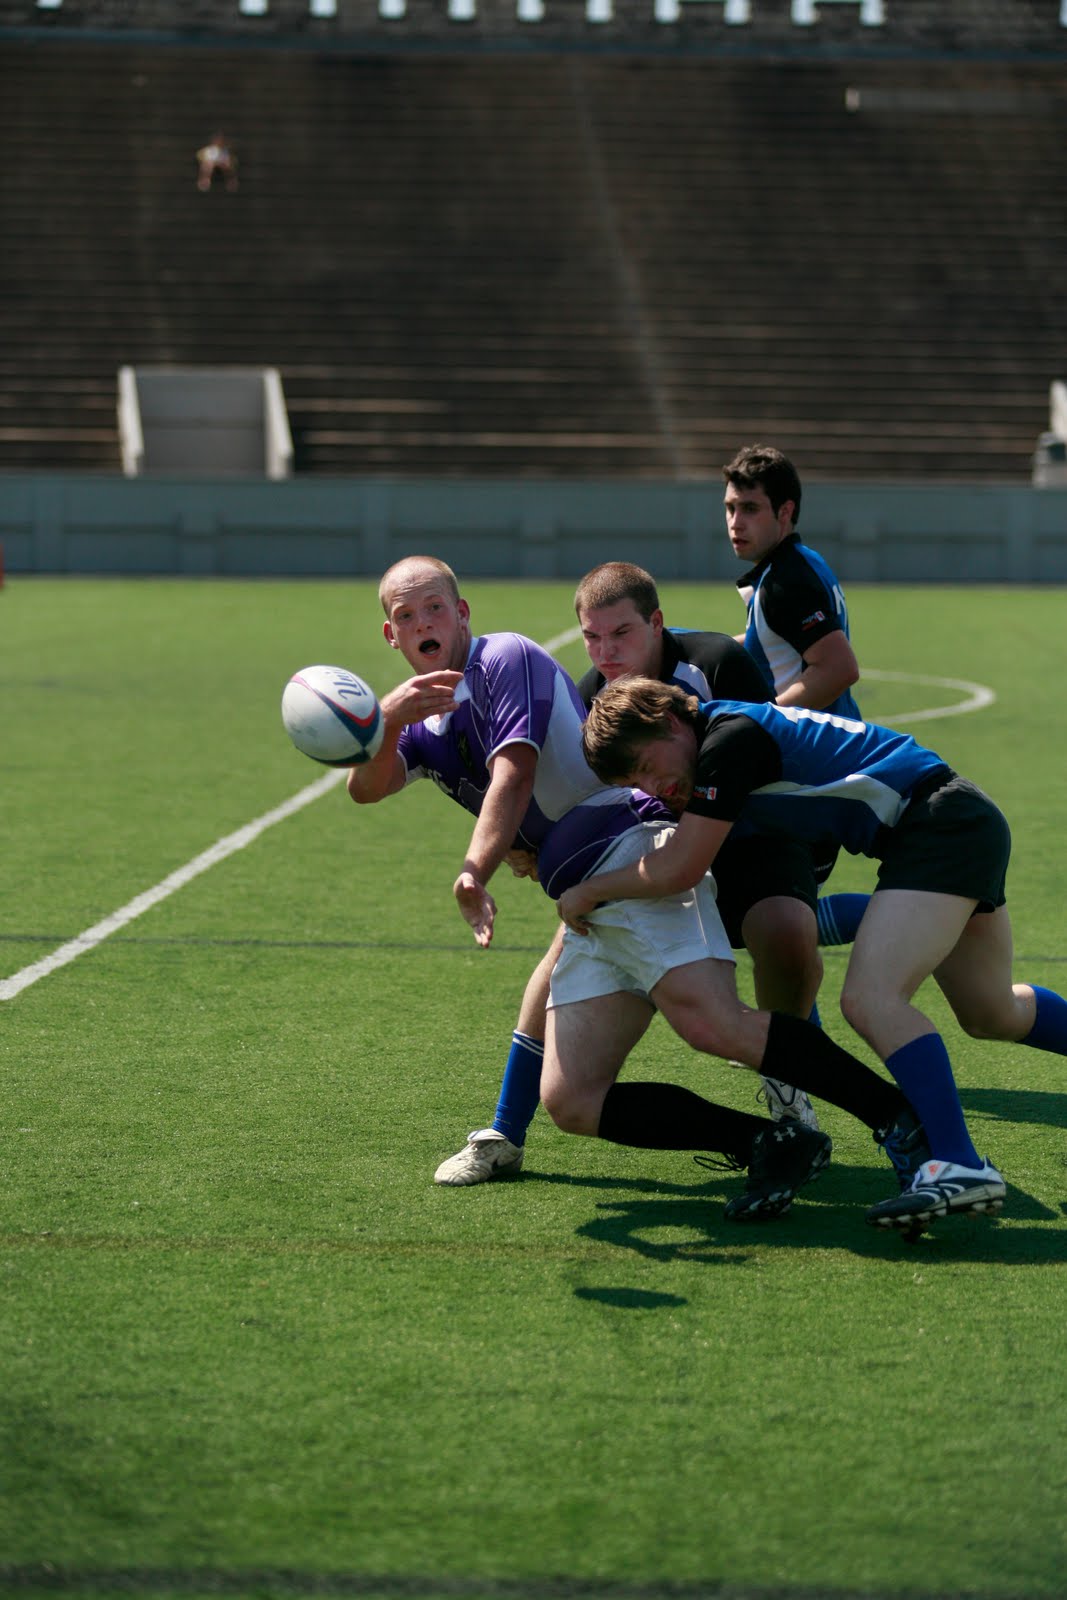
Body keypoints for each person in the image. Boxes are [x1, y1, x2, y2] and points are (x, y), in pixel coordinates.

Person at [347, 556, 925, 1221]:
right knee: (572, 1100)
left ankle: (899, 1118)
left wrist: (476, 868)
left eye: (434, 609)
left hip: (629, 850)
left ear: (462, 612)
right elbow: (367, 787)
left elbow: (513, 773)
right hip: (585, 894)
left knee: (712, 1020)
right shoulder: (422, 725)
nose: (423, 623)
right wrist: (384, 723)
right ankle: (767, 1140)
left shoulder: (501, 659)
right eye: (406, 616)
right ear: (391, 636)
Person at [566, 677, 1067, 1230]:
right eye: (633, 781)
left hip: (939, 825)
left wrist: (588, 890)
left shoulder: (726, 744)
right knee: (993, 1012)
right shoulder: (721, 739)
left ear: (669, 721)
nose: (650, 787)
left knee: (872, 999)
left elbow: (679, 868)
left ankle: (958, 1164)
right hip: (953, 821)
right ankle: (954, 1161)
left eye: (644, 766)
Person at [723, 443, 860, 717]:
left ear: (784, 512)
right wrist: (707, 648)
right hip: (833, 739)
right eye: (730, 508)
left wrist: (764, 720)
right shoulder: (802, 560)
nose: (735, 522)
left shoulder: (784, 581)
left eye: (750, 508)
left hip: (816, 752)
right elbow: (779, 637)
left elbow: (839, 668)